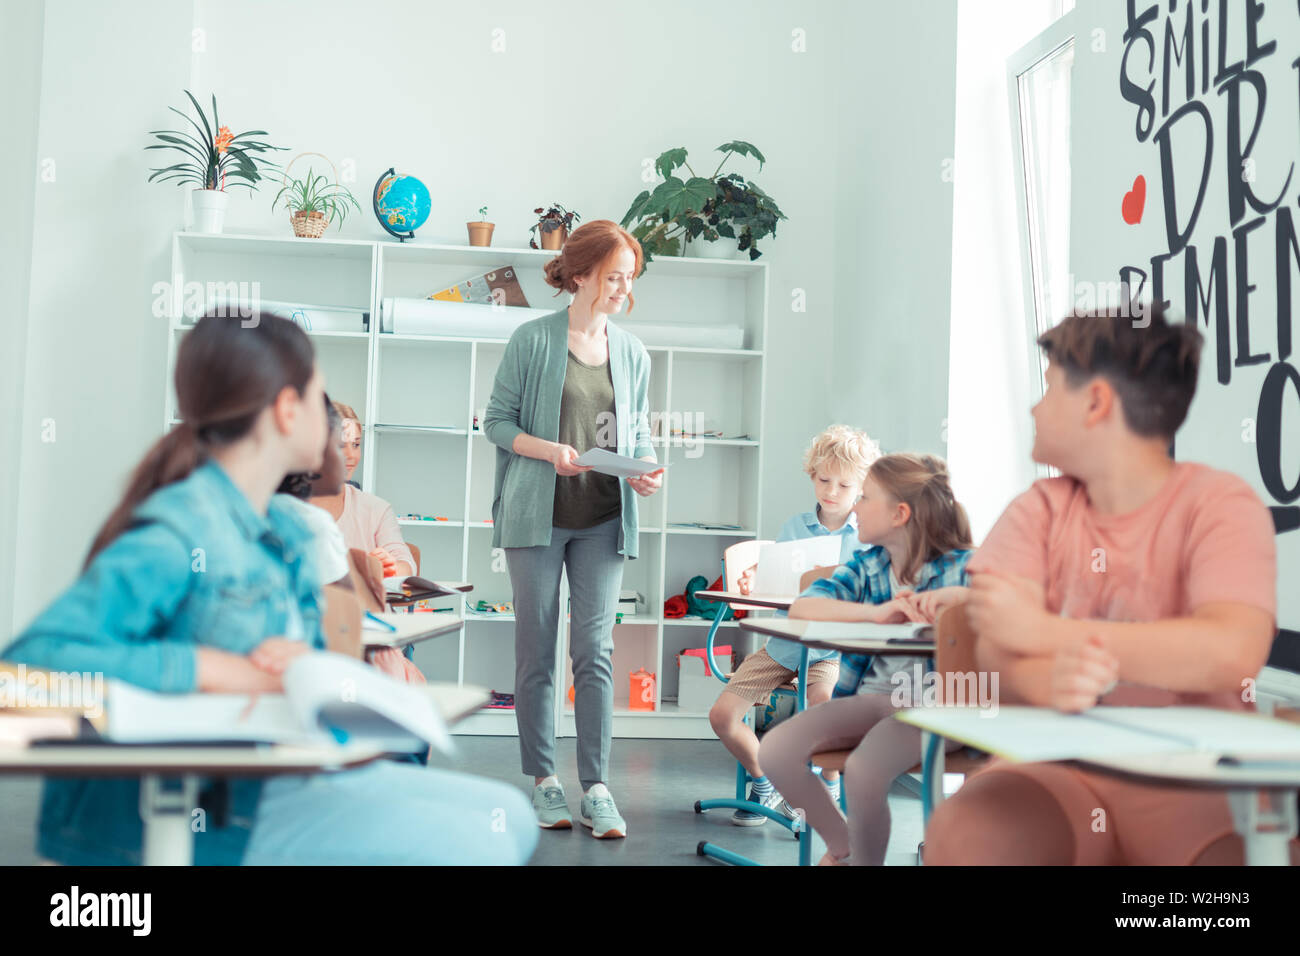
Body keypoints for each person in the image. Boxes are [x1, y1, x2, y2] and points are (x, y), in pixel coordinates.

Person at [3, 311, 537, 865]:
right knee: (481, 838)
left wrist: (305, 664)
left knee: (511, 816)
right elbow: (32, 666)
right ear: (287, 410)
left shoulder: (281, 529)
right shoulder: (185, 526)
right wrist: (215, 669)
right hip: (206, 814)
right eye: (318, 397)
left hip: (277, 773)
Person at [924, 303, 1294, 865]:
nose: (1034, 407)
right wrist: (1047, 682)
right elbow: (998, 649)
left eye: (1049, 389)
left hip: (1199, 780)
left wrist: (1049, 632)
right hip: (1060, 768)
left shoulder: (1220, 504)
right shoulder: (1038, 511)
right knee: (972, 832)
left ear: (1096, 402)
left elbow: (1231, 652)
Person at [482, 220, 664, 839]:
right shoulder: (534, 340)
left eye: (629, 279)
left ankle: (598, 788)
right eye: (613, 277)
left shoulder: (632, 351)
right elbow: (496, 423)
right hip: (537, 517)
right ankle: (544, 781)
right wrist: (546, 450)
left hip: (602, 519)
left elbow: (634, 433)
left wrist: (644, 472)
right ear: (580, 274)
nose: (622, 288)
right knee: (536, 652)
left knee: (596, 653)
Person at [759, 453, 973, 865]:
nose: (854, 505)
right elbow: (805, 607)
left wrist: (955, 599)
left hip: (936, 708)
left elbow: (1016, 599)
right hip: (873, 700)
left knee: (863, 771)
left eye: (865, 498)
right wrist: (875, 614)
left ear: (899, 514)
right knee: (776, 752)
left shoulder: (962, 567)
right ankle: (844, 847)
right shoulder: (868, 566)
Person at [708, 424, 879, 824]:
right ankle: (764, 780)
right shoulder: (794, 528)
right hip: (783, 646)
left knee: (832, 713)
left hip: (828, 653)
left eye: (843, 485)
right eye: (823, 479)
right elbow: (776, 589)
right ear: (812, 475)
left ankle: (828, 785)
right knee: (722, 716)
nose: (831, 492)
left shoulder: (867, 538)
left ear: (861, 489)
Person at [308, 400, 415, 578]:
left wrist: (391, 567)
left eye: (356, 445)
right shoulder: (286, 508)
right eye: (341, 446)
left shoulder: (376, 509)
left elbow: (406, 565)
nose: (351, 456)